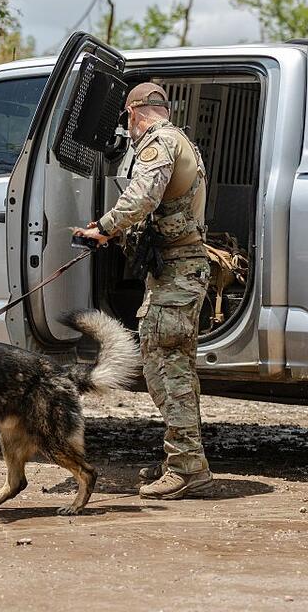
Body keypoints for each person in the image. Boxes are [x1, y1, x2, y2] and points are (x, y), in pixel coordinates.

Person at [73, 82, 212, 500]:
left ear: (135, 113)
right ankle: (184, 461)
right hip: (176, 271)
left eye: (126, 121)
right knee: (174, 368)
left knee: (167, 370)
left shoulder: (159, 142)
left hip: (178, 274)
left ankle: (187, 468)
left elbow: (143, 196)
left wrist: (103, 227)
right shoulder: (181, 140)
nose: (127, 130)